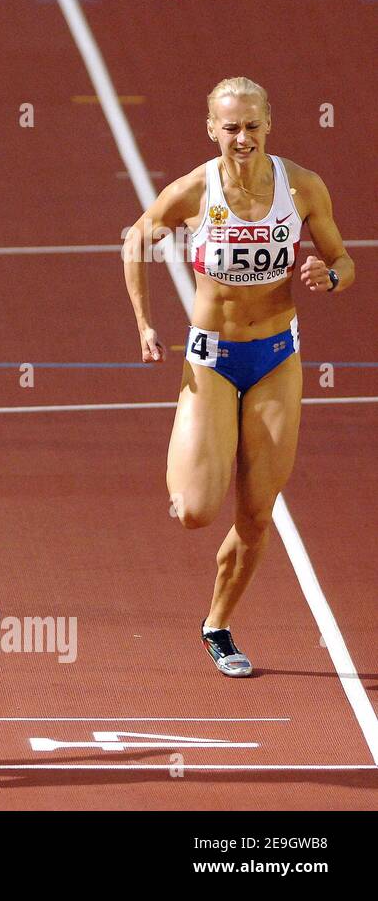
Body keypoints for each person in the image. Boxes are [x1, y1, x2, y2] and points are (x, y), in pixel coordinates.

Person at [124, 77, 354, 677]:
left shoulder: (301, 187)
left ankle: (218, 625)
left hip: (277, 357)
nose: (243, 137)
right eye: (231, 127)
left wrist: (330, 278)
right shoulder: (195, 190)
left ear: (268, 123)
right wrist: (147, 325)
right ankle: (191, 439)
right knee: (196, 511)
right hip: (213, 359)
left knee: (256, 513)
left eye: (252, 125)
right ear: (211, 129)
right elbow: (134, 242)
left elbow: (344, 260)